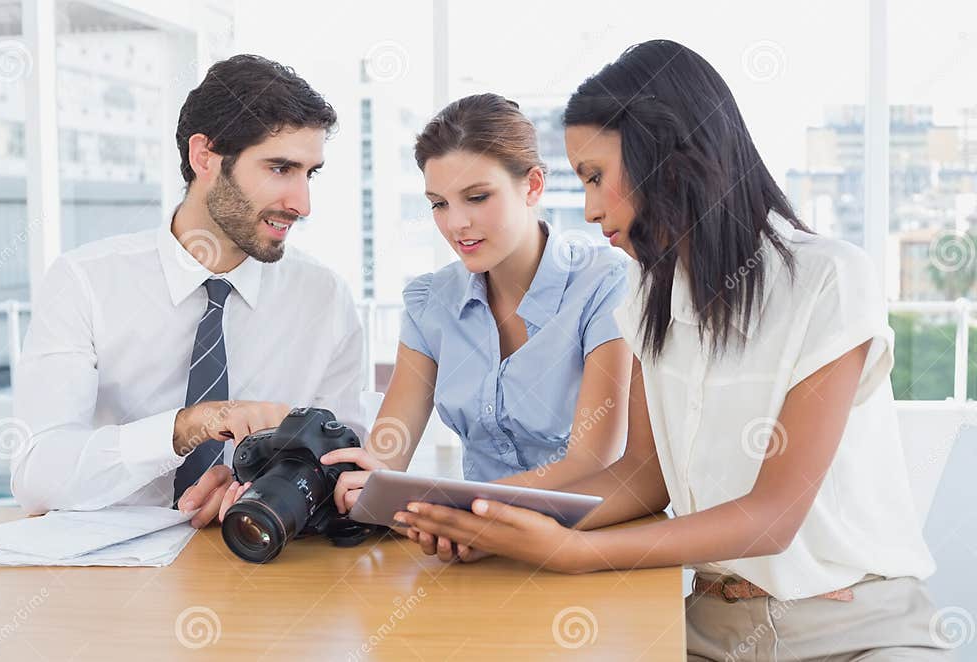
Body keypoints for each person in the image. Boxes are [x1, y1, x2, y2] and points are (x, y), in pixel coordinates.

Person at [394, 42, 952, 660]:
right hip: (709, 630)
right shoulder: (647, 294)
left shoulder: (830, 279)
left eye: (597, 177)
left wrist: (573, 552)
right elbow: (640, 477)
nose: (590, 208)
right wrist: (489, 520)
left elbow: (772, 517)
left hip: (857, 631)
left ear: (669, 156)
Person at [12, 54, 365, 530]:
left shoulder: (325, 300)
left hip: (258, 565)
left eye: (310, 173)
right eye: (280, 169)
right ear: (205, 157)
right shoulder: (85, 282)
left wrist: (258, 481)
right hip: (106, 578)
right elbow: (38, 474)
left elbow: (343, 462)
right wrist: (184, 429)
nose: (301, 204)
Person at [314, 93, 631, 563]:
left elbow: (592, 462)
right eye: (439, 203)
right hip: (471, 551)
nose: (456, 224)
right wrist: (362, 480)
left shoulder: (605, 284)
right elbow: (388, 452)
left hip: (585, 547)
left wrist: (464, 510)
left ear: (533, 186)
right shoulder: (430, 303)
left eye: (477, 197)